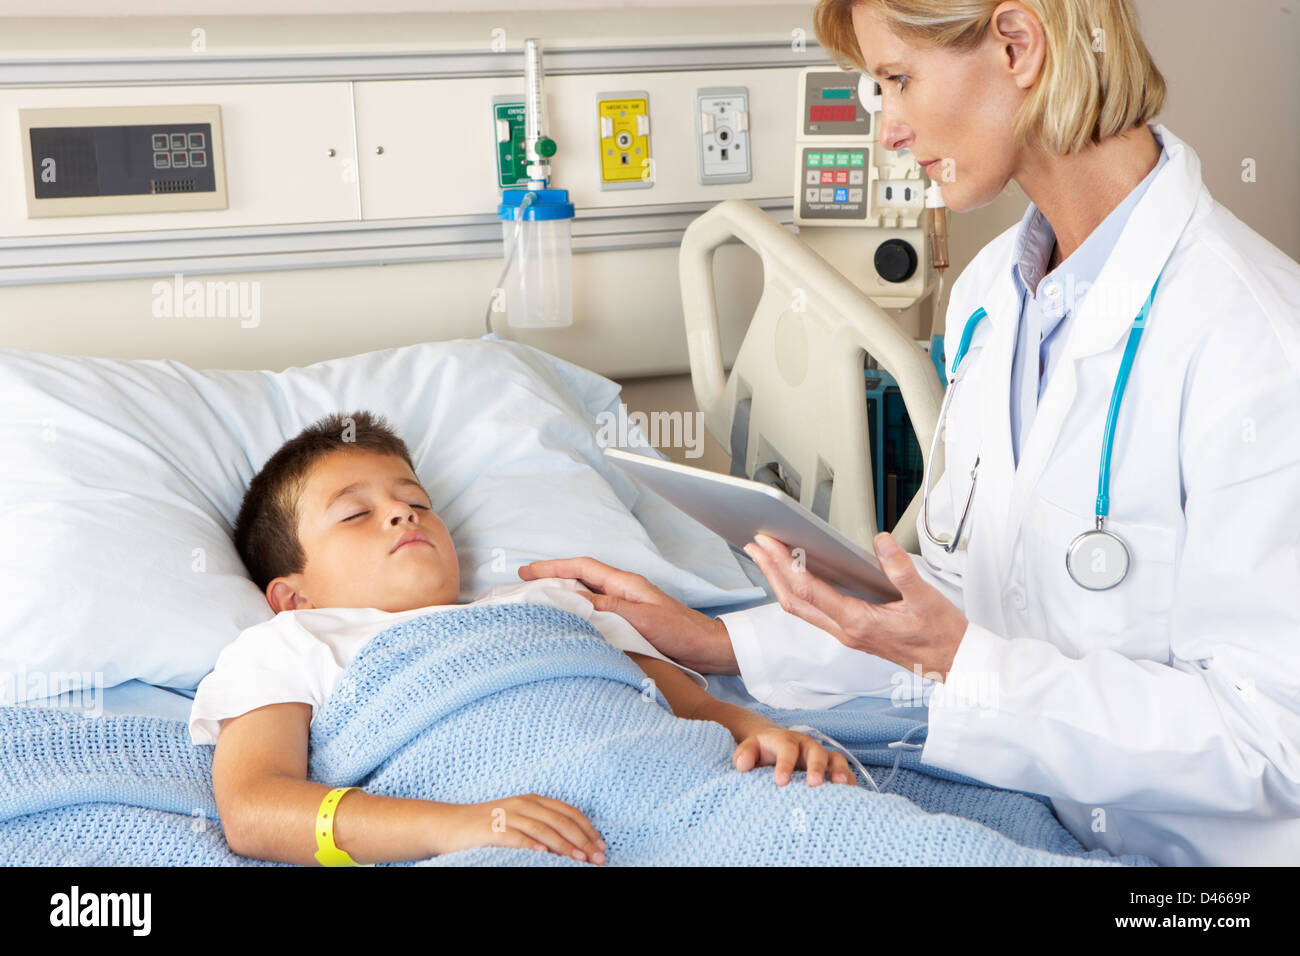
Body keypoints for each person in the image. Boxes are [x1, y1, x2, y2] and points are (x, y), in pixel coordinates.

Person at [522, 0, 1300, 866]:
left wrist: (972, 666)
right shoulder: (992, 300)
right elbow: (973, 591)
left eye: (898, 79)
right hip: (1048, 811)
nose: (889, 129)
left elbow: (1275, 743)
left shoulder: (1256, 345)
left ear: (1017, 44)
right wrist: (721, 642)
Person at [190, 410, 854, 867]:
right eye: (357, 514)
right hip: (503, 839)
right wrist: (459, 826)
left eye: (416, 503)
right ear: (292, 594)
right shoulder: (291, 642)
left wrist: (755, 727)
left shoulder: (549, 603)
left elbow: (697, 706)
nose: (401, 513)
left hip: (704, 797)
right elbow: (254, 809)